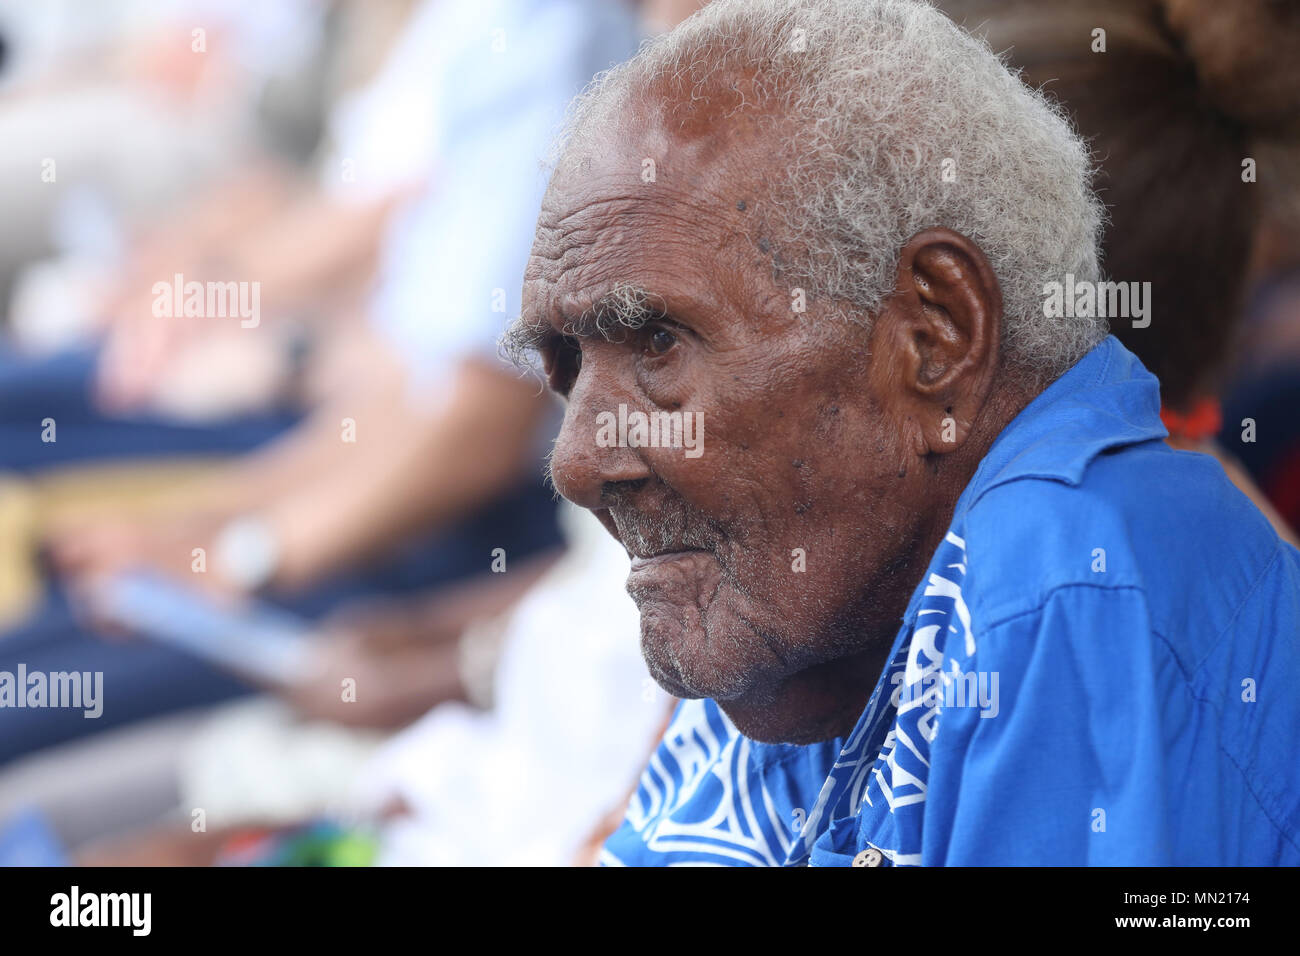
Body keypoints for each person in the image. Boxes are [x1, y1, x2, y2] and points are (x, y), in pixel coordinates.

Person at [507, 0, 1300, 865]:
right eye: (566, 366)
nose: (577, 461)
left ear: (935, 337)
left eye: (657, 341)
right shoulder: (812, 634)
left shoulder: (1064, 581)